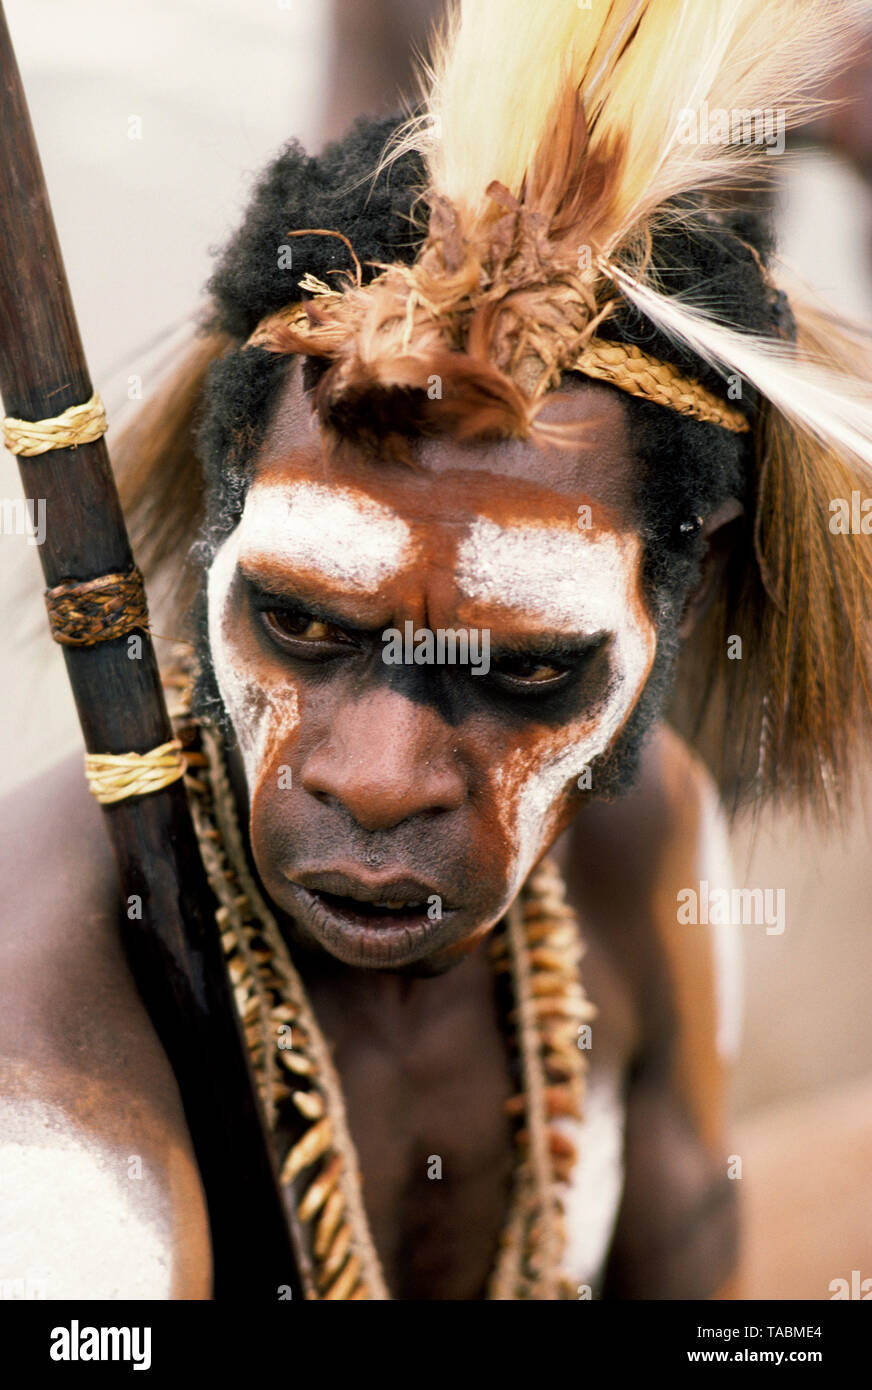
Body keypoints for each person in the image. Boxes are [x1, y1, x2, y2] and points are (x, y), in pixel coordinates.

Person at [2, 0, 871, 1300]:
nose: (379, 772)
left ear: (670, 616)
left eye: (524, 666)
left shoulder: (644, 852)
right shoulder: (58, 1023)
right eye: (301, 623)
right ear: (219, 545)